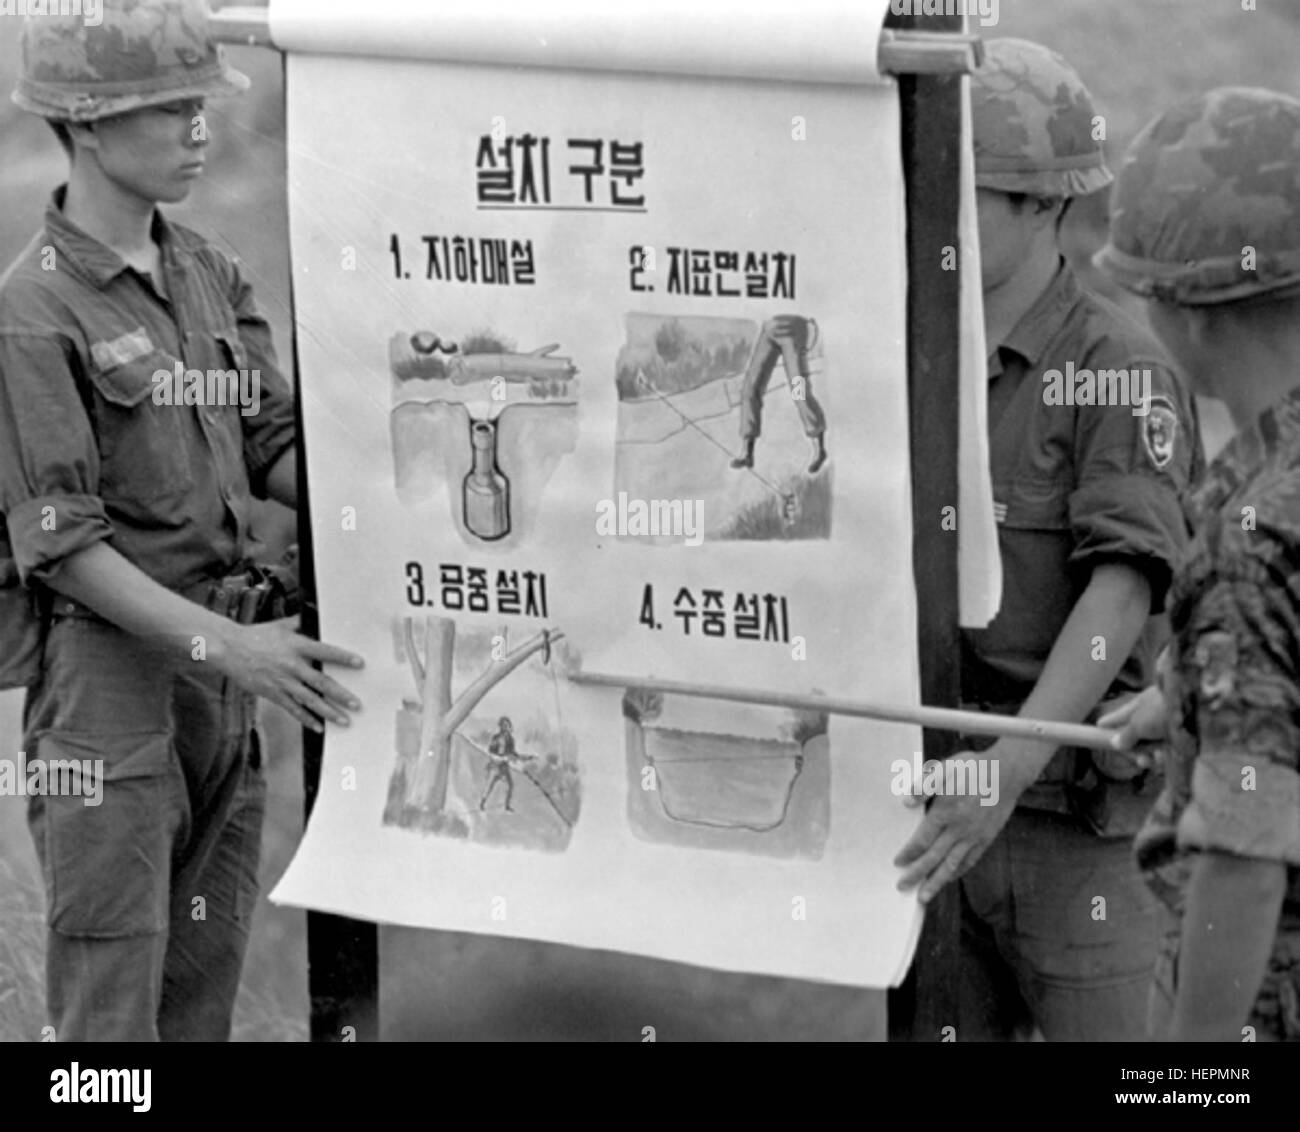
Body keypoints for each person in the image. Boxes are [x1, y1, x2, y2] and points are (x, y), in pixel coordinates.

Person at [0, 0, 363, 1041]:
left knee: (198, 1001)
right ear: (85, 127)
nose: (199, 130)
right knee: (110, 1020)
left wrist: (400, 513)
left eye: (202, 106)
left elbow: (272, 446)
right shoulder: (34, 311)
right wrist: (232, 647)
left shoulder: (206, 271)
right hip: (111, 694)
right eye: (168, 110)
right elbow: (63, 549)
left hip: (222, 681)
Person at [893, 38, 1201, 1041]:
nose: (928, 209)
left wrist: (1007, 771)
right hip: (934, 802)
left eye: (964, 191)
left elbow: (1125, 588)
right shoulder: (903, 346)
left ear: (1044, 207)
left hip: (1071, 825)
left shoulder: (1115, 366)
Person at [1097, 87, 1300, 1042]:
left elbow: (1247, 863)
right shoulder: (1264, 473)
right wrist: (1183, 696)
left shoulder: (1249, 542)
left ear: (1188, 313)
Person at [730, 314, 827, 474]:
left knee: (799, 392)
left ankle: (819, 450)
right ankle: (747, 452)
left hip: (794, 328)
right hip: (769, 329)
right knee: (750, 388)